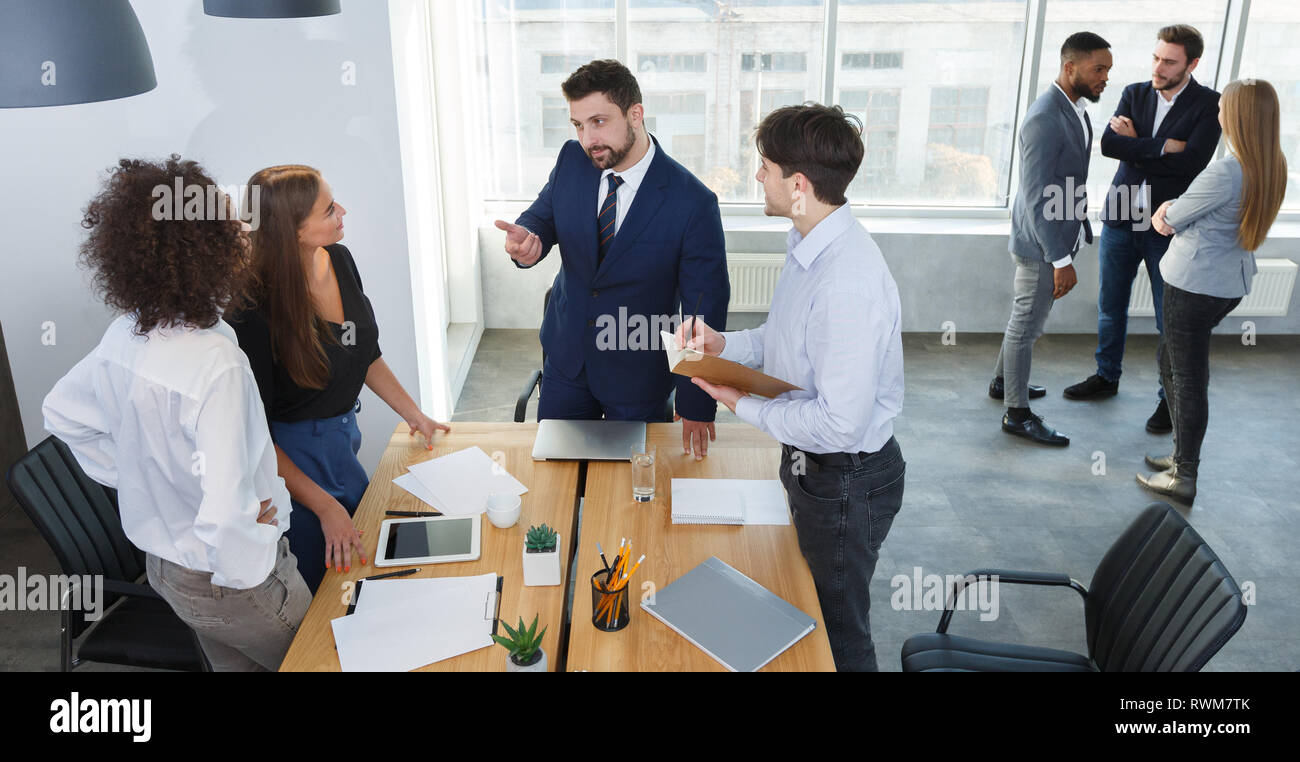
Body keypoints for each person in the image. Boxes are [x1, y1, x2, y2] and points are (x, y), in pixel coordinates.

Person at [43, 155, 309, 671]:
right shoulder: (216, 365)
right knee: (326, 660)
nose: (244, 230)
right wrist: (249, 543)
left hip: (169, 572)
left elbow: (62, 413)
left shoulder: (124, 335)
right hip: (236, 583)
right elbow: (227, 515)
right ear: (209, 251)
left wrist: (146, 479)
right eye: (231, 224)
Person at [681, 104, 905, 672]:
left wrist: (742, 404)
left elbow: (838, 424)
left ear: (798, 184)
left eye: (765, 167)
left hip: (846, 478)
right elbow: (783, 340)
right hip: (816, 467)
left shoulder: (847, 283)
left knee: (838, 631)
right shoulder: (809, 243)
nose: (758, 176)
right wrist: (722, 345)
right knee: (805, 599)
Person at [226, 165, 449, 593]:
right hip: (291, 465)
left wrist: (414, 414)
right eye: (329, 209)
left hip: (343, 445)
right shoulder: (251, 309)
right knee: (323, 586)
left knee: (366, 561)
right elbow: (254, 437)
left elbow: (364, 356)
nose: (342, 211)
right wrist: (325, 507)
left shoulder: (340, 260)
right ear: (292, 229)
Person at [493, 59, 730, 460]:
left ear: (635, 114)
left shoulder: (692, 203)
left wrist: (696, 403)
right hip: (567, 362)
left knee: (635, 494)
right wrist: (527, 240)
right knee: (555, 479)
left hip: (639, 374)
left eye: (599, 121)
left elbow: (702, 312)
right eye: (578, 125)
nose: (588, 138)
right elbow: (542, 216)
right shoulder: (572, 162)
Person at [1064, 24, 1221, 436]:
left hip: (1166, 226)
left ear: (1192, 64)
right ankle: (1106, 376)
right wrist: (1165, 145)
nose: (1159, 66)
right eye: (1156, 57)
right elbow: (1110, 146)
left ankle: (1167, 399)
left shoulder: (1210, 105)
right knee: (1110, 306)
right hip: (1120, 218)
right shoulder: (1134, 92)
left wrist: (1141, 145)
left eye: (1169, 61)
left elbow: (1193, 164)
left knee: (1168, 317)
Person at [1139, 79, 1287, 504]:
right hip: (1227, 282)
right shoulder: (1271, 162)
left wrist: (1166, 210)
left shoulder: (1226, 170)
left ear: (1237, 117)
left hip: (1194, 284)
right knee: (1171, 360)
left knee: (1187, 377)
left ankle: (1184, 474)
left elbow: (1171, 218)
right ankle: (1179, 456)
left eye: (1225, 108)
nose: (1218, 113)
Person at [993, 32, 1112, 446]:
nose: (1105, 78)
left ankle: (1002, 383)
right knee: (1026, 327)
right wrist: (1060, 258)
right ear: (1070, 67)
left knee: (1023, 320)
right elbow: (1035, 195)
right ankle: (1017, 413)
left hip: (1056, 237)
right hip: (1042, 245)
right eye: (1098, 69)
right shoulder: (1045, 117)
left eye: (1108, 71)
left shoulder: (1074, 109)